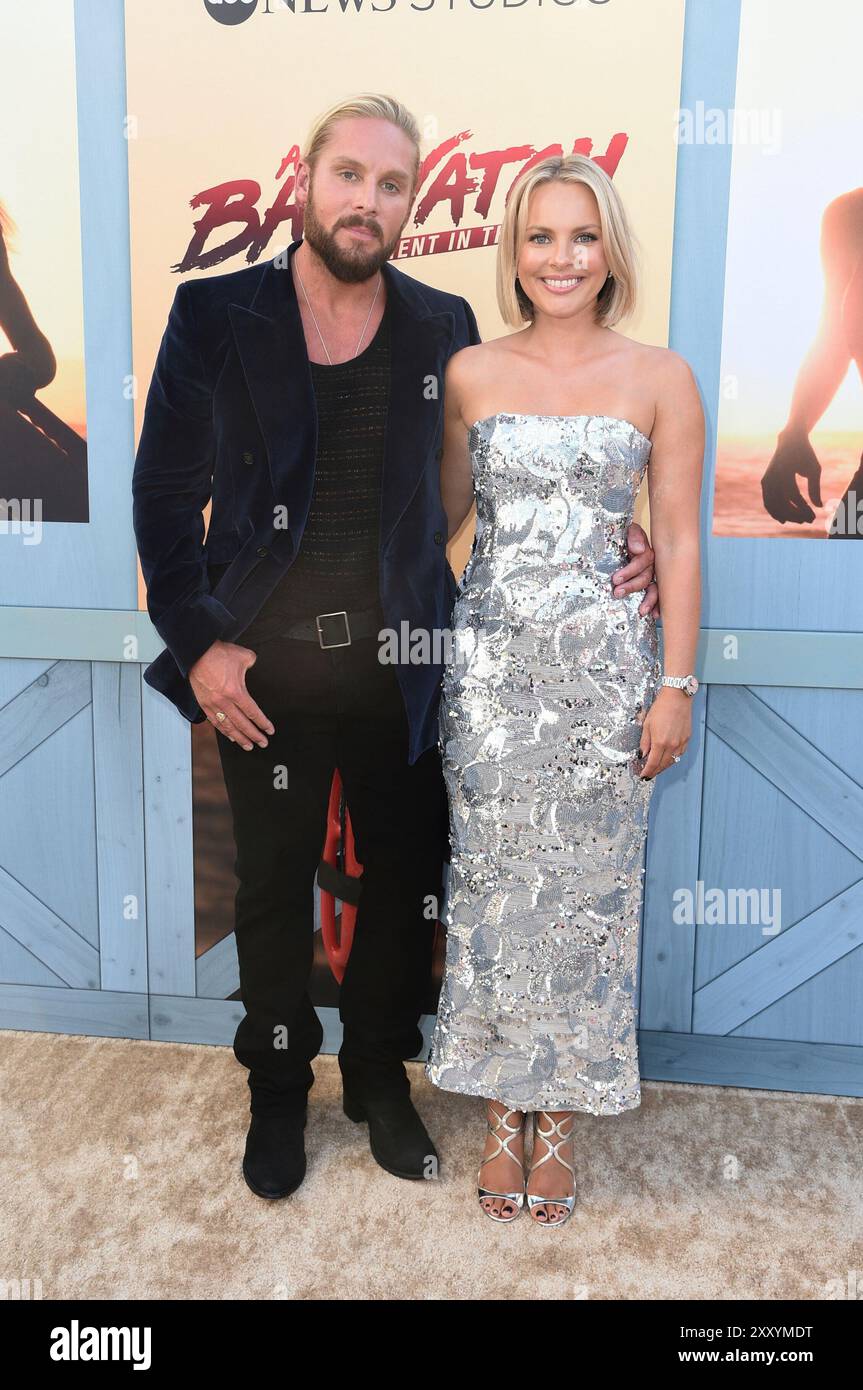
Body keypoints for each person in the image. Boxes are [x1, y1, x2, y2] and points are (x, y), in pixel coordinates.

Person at [132, 96, 660, 1203]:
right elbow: (164, 494)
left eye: (389, 184)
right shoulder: (216, 314)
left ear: (410, 202)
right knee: (272, 889)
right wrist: (199, 649)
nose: (365, 201)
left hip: (413, 663)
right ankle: (277, 1089)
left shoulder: (441, 323)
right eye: (348, 176)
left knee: (402, 883)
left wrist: (618, 529)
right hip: (259, 670)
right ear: (305, 179)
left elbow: (498, 475)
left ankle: (378, 1076)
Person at [425, 154, 704, 1226]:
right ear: (514, 252)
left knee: (588, 906)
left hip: (605, 684)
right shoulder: (470, 373)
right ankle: (504, 1117)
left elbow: (674, 537)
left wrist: (673, 682)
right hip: (492, 681)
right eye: (539, 237)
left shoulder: (659, 376)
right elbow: (445, 525)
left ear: (609, 252)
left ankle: (567, 1118)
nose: (559, 257)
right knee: (499, 897)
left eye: (580, 237)